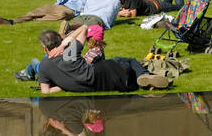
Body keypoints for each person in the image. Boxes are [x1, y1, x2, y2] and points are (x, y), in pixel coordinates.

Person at [35, 27, 168, 94]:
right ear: (59, 41)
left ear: (44, 48)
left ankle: (145, 78)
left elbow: (45, 91)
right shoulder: (69, 52)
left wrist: (64, 85)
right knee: (130, 61)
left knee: (128, 69)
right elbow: (84, 28)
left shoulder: (44, 66)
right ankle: (145, 76)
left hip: (109, 84)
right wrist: (65, 43)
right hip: (109, 72)